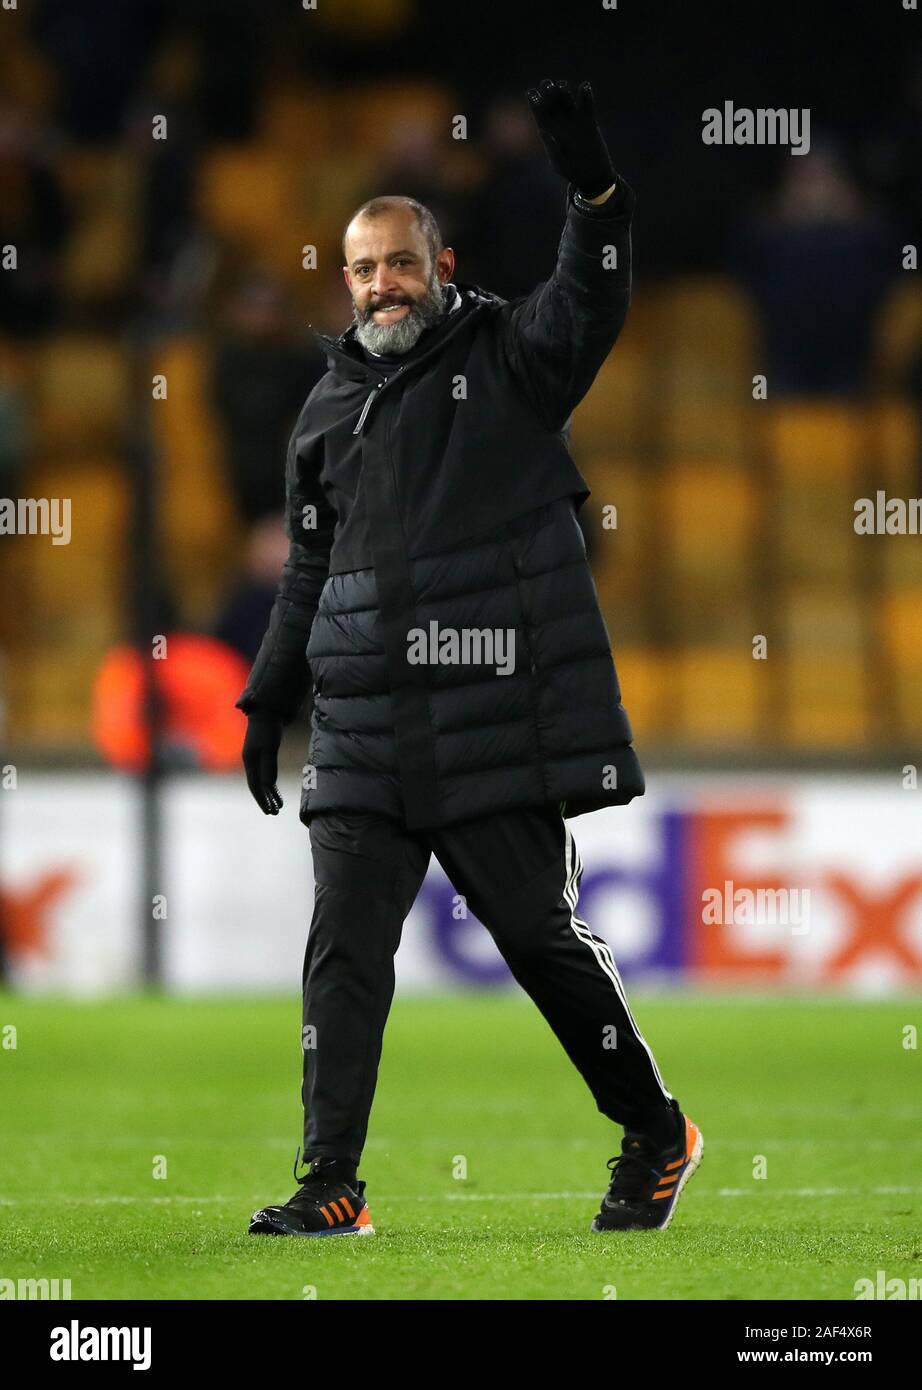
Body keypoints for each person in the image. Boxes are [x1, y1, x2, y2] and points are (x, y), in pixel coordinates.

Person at [237, 79, 702, 1238]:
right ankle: (329, 1182)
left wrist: (594, 195)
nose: (382, 284)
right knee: (342, 953)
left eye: (400, 262)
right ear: (342, 283)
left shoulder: (509, 359)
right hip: (361, 732)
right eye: (362, 268)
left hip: (490, 714)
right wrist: (267, 695)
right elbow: (306, 570)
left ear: (437, 268)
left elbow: (590, 305)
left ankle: (655, 1129)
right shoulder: (323, 411)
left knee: (540, 940)